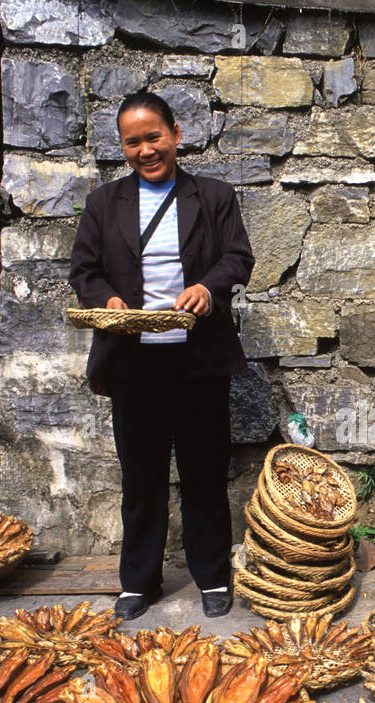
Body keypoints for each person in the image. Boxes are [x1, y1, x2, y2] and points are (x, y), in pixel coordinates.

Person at [69, 91, 254, 621]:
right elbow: (84, 269)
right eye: (133, 142)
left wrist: (208, 288)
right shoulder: (105, 204)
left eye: (154, 137)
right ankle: (138, 581)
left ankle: (212, 576)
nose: (146, 150)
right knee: (141, 477)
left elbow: (238, 256)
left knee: (204, 473)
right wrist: (106, 301)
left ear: (176, 134)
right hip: (134, 364)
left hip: (199, 362)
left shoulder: (214, 196)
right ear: (121, 147)